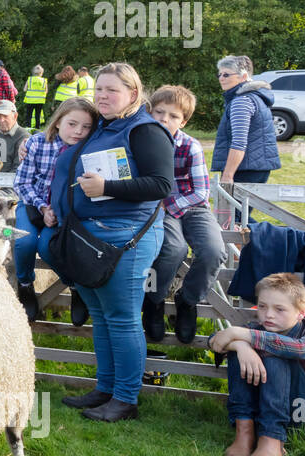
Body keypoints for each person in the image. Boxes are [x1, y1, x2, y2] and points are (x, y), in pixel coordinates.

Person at [39, 63, 173, 423]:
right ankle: (106, 388)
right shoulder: (105, 126)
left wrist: (107, 188)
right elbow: (64, 136)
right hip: (90, 236)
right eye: (99, 89)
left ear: (133, 94)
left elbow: (161, 185)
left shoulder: (145, 130)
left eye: (111, 90)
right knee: (101, 316)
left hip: (124, 239)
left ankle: (125, 399)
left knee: (124, 319)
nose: (102, 96)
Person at [211, 273, 305, 456]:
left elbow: (301, 348)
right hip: (267, 411)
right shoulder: (257, 328)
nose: (269, 315)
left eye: (279, 309)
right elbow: (215, 341)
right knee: (240, 351)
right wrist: (242, 347)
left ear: (301, 312)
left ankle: (273, 441)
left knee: (277, 351)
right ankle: (244, 433)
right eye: (262, 306)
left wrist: (241, 335)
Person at [143, 85, 227, 344]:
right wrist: (164, 208)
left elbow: (201, 192)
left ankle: (188, 300)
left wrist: (172, 208)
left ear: (184, 120)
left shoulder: (190, 146)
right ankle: (154, 300)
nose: (164, 119)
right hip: (159, 206)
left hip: (192, 206)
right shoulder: (142, 141)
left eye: (173, 116)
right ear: (150, 112)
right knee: (173, 249)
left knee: (214, 251)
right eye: (159, 112)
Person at [12, 97, 100, 323]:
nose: (79, 131)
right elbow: (22, 183)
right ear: (58, 121)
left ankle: (75, 286)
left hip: (65, 210)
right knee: (24, 242)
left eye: (86, 126)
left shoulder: (89, 150)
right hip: (33, 203)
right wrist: (42, 208)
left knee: (49, 247)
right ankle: (25, 285)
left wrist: (57, 212)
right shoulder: (37, 143)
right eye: (72, 124)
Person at [212, 55, 280, 218]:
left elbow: (239, 142)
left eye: (226, 74)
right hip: (254, 167)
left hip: (245, 169)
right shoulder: (253, 97)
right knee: (238, 218)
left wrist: (228, 176)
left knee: (231, 219)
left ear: (243, 76)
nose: (221, 78)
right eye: (219, 74)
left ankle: (287, 242)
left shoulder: (241, 101)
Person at [21, 65, 48, 129]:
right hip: (40, 101)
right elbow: (46, 91)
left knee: (29, 115)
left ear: (33, 72)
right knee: (37, 115)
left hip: (30, 100)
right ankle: (37, 128)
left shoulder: (30, 79)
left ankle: (28, 128)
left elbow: (24, 89)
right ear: (41, 73)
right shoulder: (44, 80)